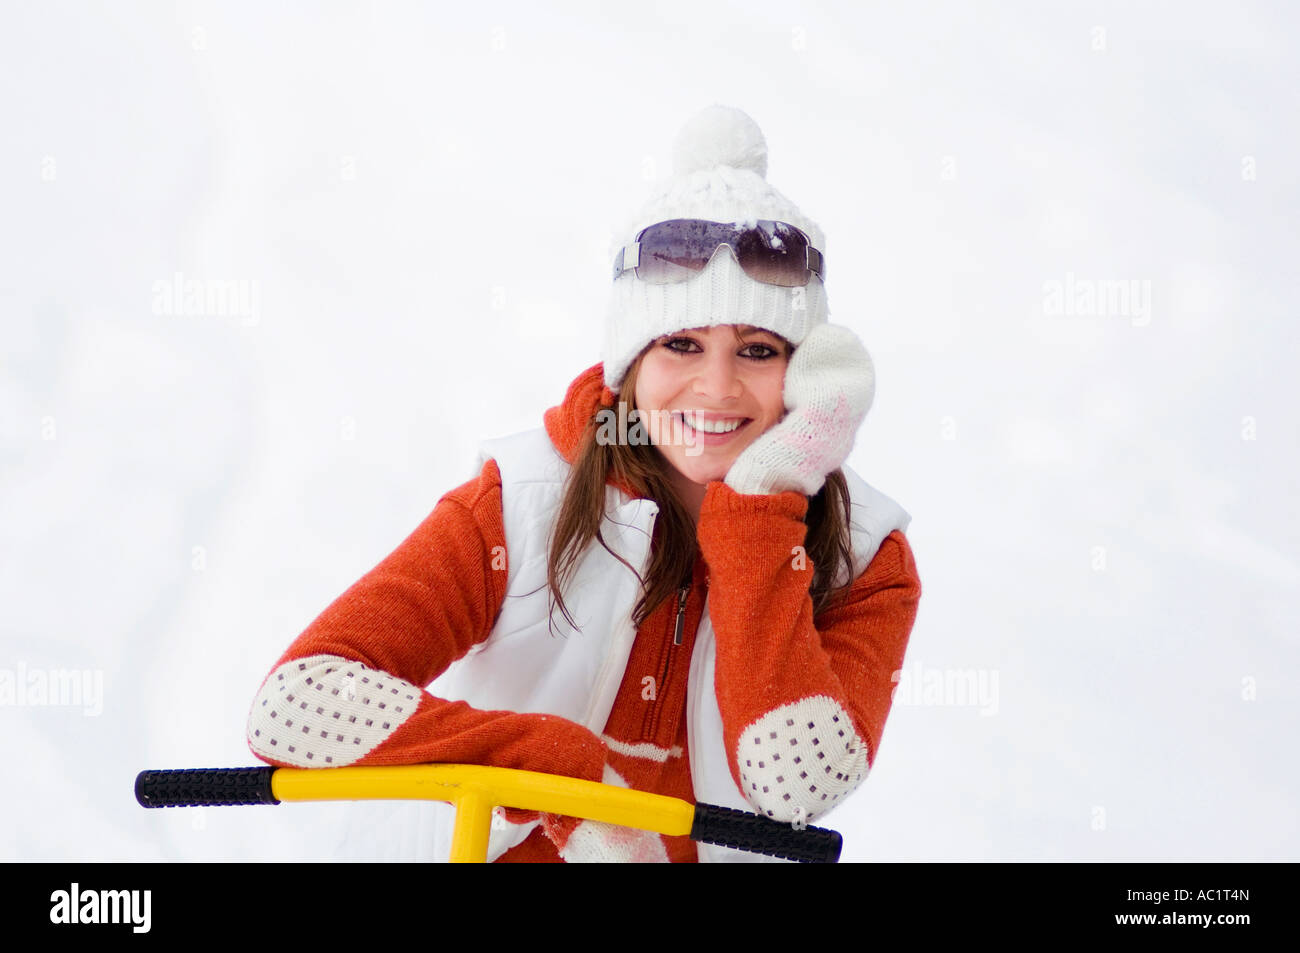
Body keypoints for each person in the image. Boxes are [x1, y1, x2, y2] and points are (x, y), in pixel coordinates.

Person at [245, 104, 922, 862]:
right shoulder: (524, 502)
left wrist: (760, 510)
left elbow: (794, 781)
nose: (717, 386)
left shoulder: (864, 556)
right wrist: (532, 757)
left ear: (806, 372)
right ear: (630, 363)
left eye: (760, 350)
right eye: (681, 344)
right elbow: (296, 701)